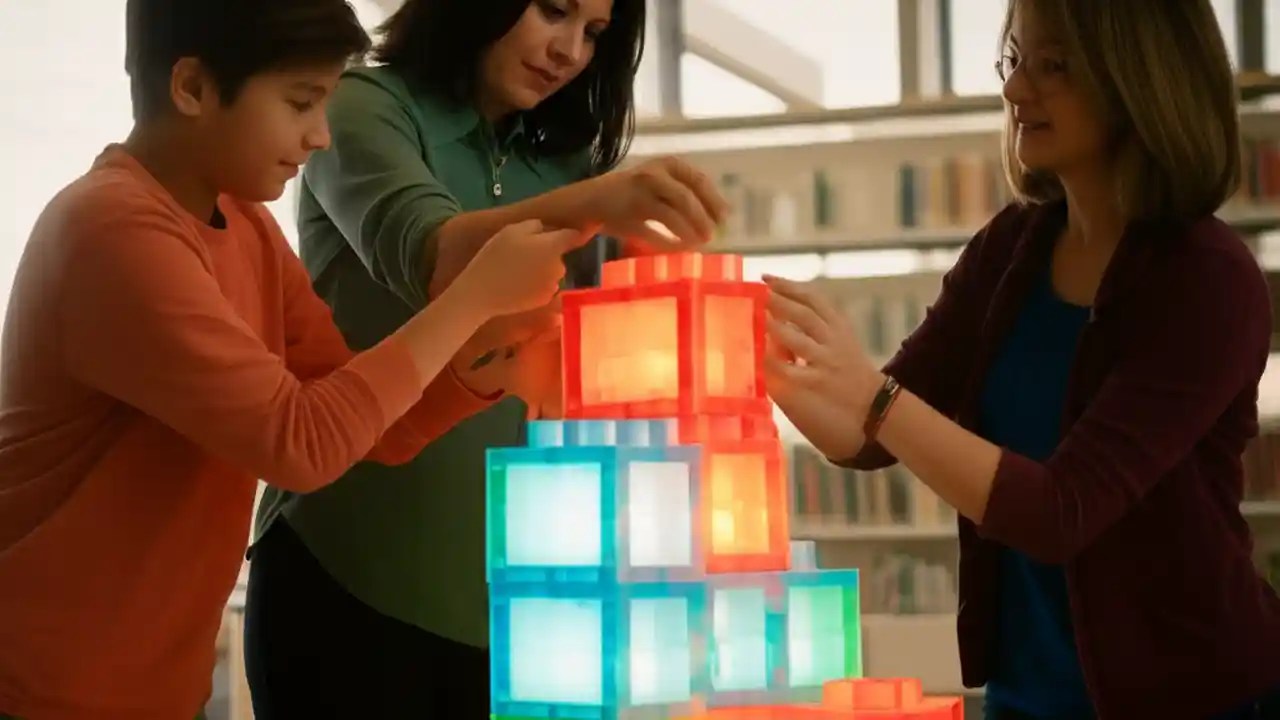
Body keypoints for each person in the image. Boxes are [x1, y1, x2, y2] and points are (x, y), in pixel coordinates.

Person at [0, 0, 590, 717]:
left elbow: (355, 419)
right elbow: (300, 444)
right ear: (191, 88)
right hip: (44, 689)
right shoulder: (113, 231)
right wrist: (468, 301)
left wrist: (484, 371)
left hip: (152, 691)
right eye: (300, 103)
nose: (318, 136)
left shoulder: (243, 224)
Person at [763, 1, 1280, 719]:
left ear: (1140, 80)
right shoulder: (1012, 248)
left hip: (1193, 696)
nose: (1014, 90)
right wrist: (754, 352)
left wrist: (873, 396)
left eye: (1053, 65)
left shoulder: (1208, 278)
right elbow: (864, 437)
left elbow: (1061, 511)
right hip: (1025, 695)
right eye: (1014, 60)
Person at [243, 0, 726, 717]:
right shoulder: (358, 106)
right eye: (554, 11)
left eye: (594, 34)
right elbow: (437, 258)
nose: (568, 51)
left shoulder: (565, 159)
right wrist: (595, 202)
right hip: (346, 575)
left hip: (523, 608)